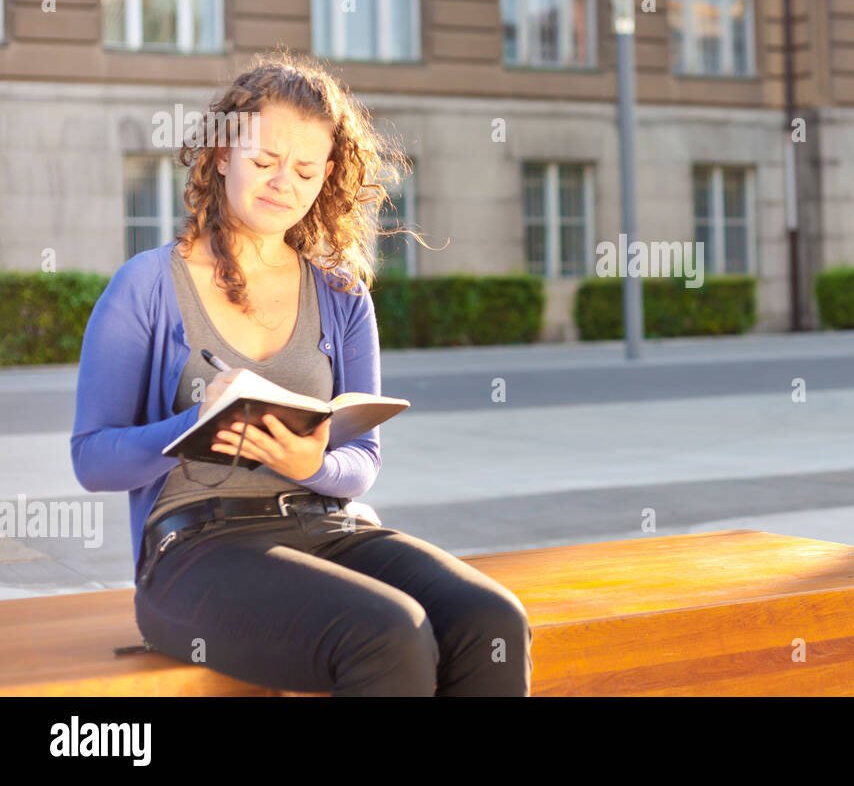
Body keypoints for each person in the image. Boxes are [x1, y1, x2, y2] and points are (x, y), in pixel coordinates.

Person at [70, 50, 532, 696]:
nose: (282, 181)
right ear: (223, 154)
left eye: (305, 169)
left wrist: (310, 463)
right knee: (387, 632)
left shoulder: (342, 295)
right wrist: (190, 424)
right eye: (263, 161)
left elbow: (363, 459)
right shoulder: (146, 285)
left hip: (326, 525)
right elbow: (92, 460)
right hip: (196, 551)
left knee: (494, 621)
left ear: (327, 178)